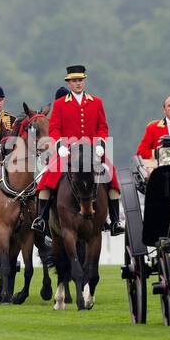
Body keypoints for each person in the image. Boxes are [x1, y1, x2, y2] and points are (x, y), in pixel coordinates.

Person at [33, 65, 123, 235]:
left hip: (92, 151)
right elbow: (54, 129)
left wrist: (100, 145)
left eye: (80, 80)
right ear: (69, 83)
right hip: (68, 151)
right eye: (74, 81)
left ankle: (115, 220)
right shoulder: (60, 104)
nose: (78, 83)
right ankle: (41, 219)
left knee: (112, 175)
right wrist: (60, 146)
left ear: (84, 81)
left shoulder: (96, 102)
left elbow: (102, 127)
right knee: (47, 179)